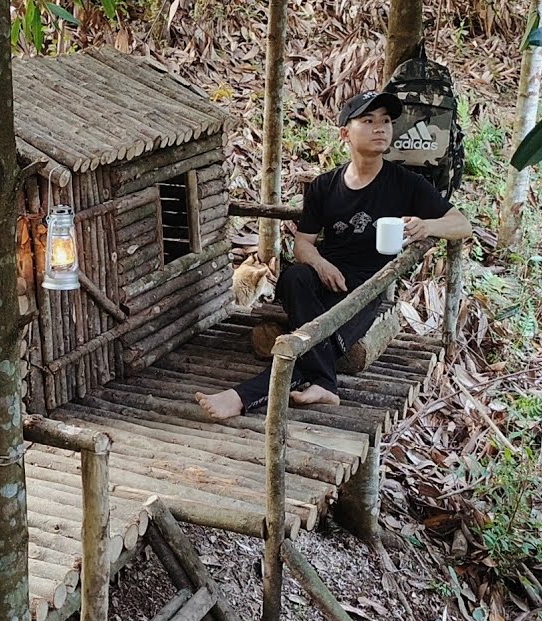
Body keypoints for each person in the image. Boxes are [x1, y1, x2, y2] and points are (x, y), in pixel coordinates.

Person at [197, 90, 472, 420]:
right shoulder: (324, 185)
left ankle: (243, 396)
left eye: (386, 121)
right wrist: (320, 263)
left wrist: (426, 226)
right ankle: (325, 381)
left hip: (364, 290)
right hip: (320, 283)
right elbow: (303, 245)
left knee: (313, 346)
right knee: (295, 276)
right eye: (368, 121)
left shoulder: (407, 184)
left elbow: (460, 223)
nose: (381, 128)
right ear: (345, 133)